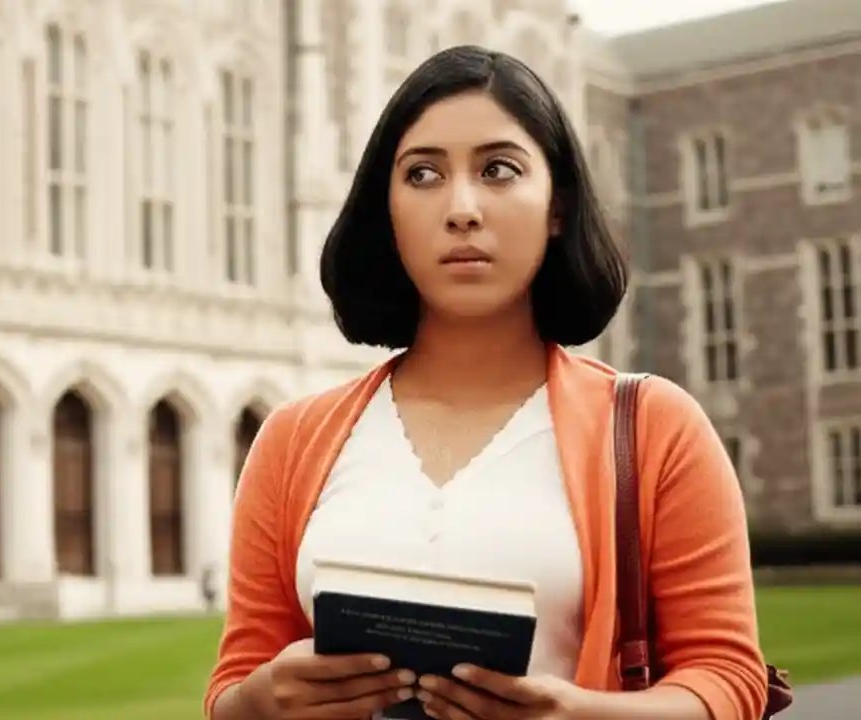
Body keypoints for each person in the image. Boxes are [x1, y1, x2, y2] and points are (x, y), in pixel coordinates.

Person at [204, 45, 768, 720]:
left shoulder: (653, 426)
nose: (462, 208)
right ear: (386, 210)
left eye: (498, 170)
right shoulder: (293, 439)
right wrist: (261, 701)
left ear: (556, 204)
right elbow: (232, 688)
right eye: (422, 175)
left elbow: (729, 681)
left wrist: (577, 716)